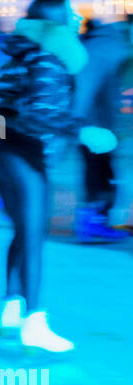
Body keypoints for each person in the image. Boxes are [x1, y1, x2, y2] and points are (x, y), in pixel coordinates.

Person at [0, 0, 116, 352]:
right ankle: (34, 322)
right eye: (70, 13)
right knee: (33, 234)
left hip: (1, 149)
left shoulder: (18, 52)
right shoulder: (47, 57)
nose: (76, 19)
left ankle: (10, 310)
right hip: (22, 151)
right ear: (56, 19)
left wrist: (0, 139)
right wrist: (83, 131)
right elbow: (38, 113)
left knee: (24, 230)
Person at [71, 15, 132, 242]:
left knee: (100, 171)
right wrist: (79, 122)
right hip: (96, 124)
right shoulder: (112, 46)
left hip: (96, 122)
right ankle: (91, 224)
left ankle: (93, 221)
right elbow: (87, 87)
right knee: (100, 172)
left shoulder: (104, 43)